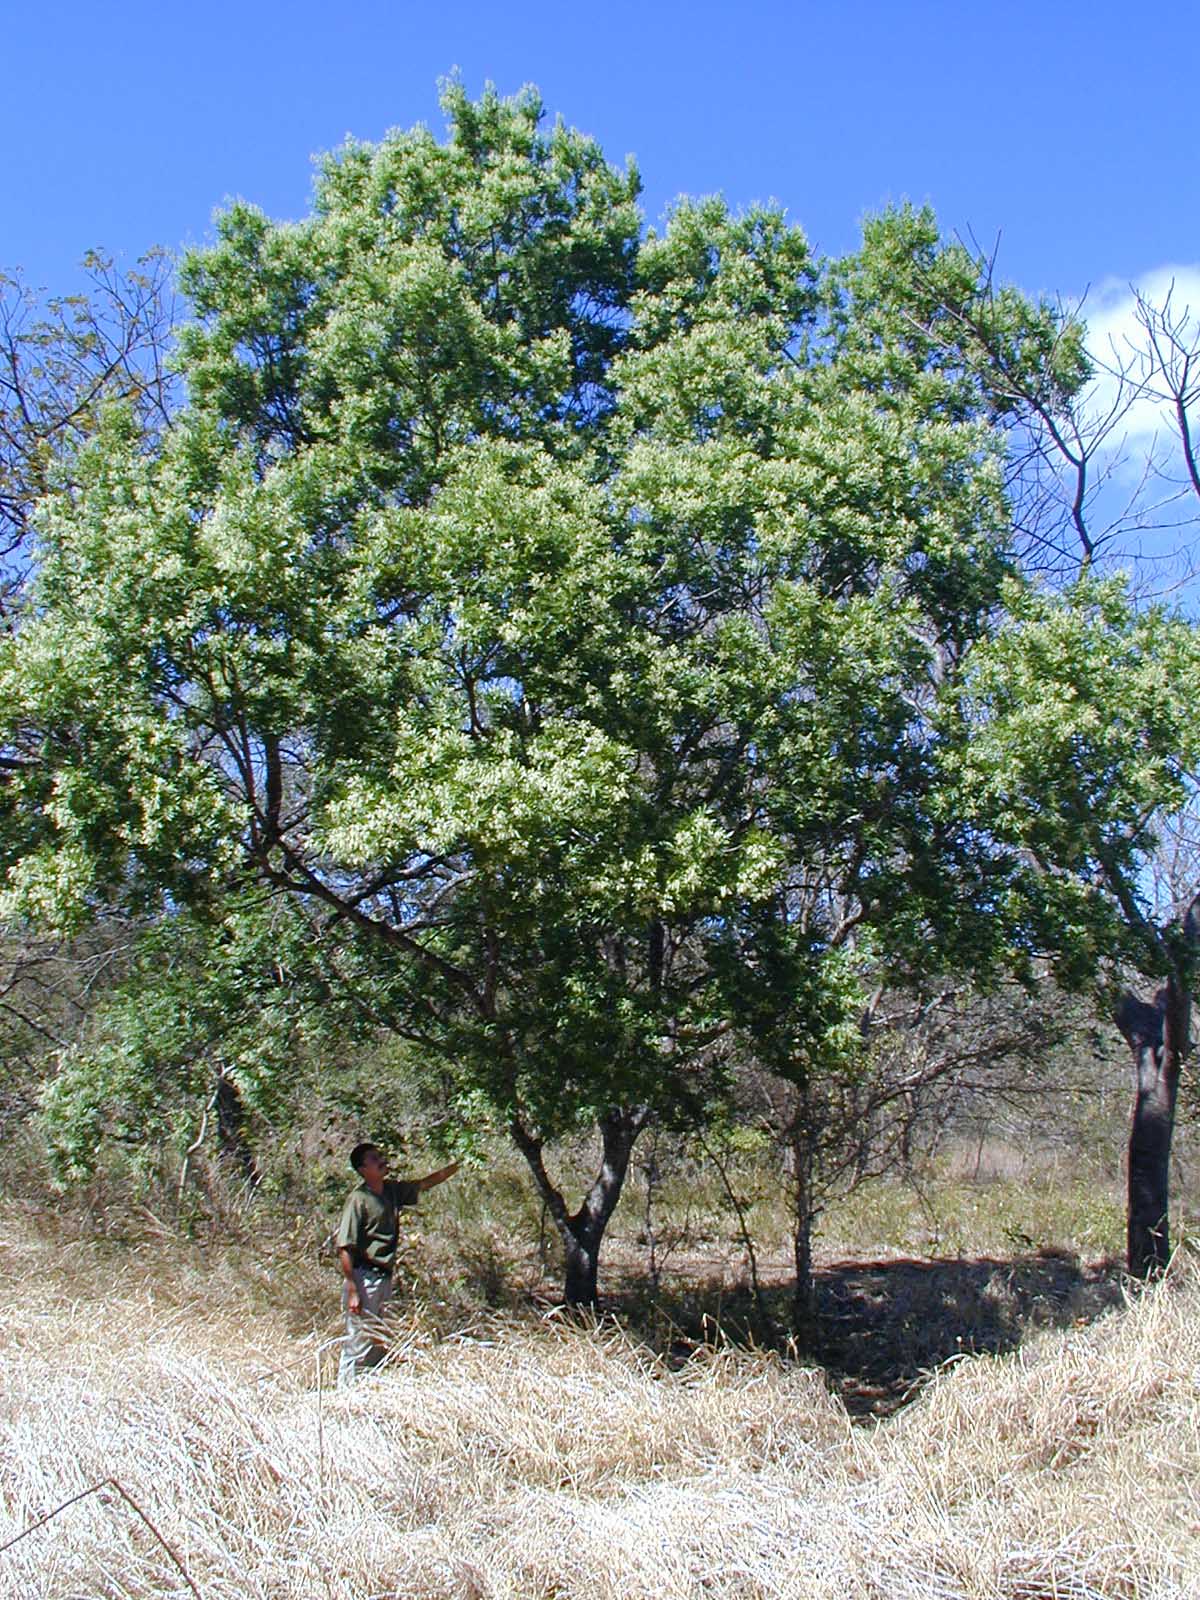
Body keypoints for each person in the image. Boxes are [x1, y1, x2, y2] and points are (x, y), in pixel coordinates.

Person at [335, 1141, 460, 1388]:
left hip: (383, 1277)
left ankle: (369, 1389)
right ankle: (345, 1393)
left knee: (378, 1337)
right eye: (374, 1158)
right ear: (362, 1169)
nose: (381, 1160)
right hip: (364, 1277)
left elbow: (424, 1184)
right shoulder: (358, 1199)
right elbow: (344, 1246)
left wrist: (458, 1165)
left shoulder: (392, 1191)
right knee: (358, 1339)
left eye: (380, 1156)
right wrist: (352, 1288)